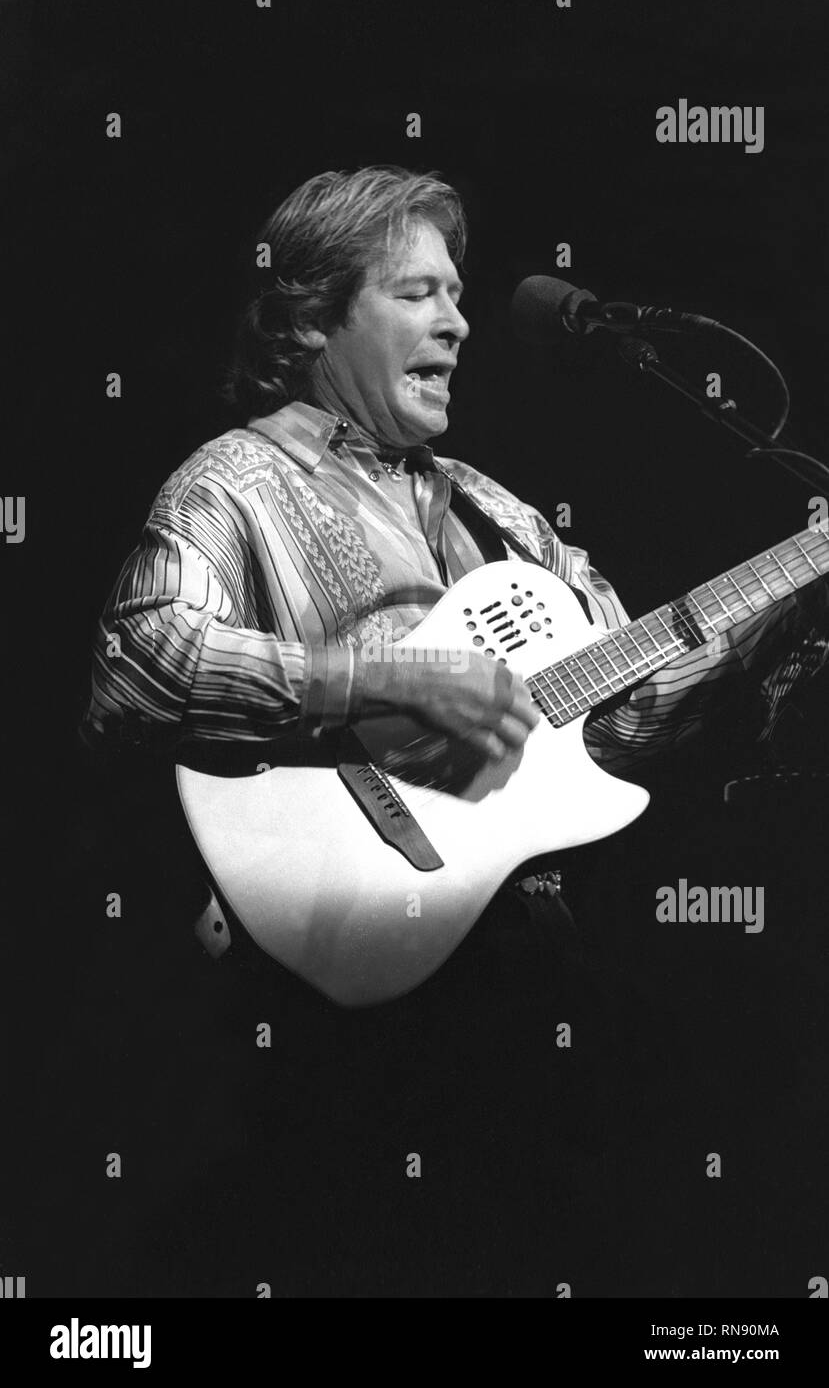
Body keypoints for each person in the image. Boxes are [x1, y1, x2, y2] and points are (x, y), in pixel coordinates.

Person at [79, 166, 828, 1295]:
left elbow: (636, 721)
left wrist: (787, 599)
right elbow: (137, 669)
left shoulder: (505, 515)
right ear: (315, 313)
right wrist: (378, 682)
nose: (459, 320)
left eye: (460, 294)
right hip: (324, 1004)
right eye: (418, 292)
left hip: (527, 985)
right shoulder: (231, 485)